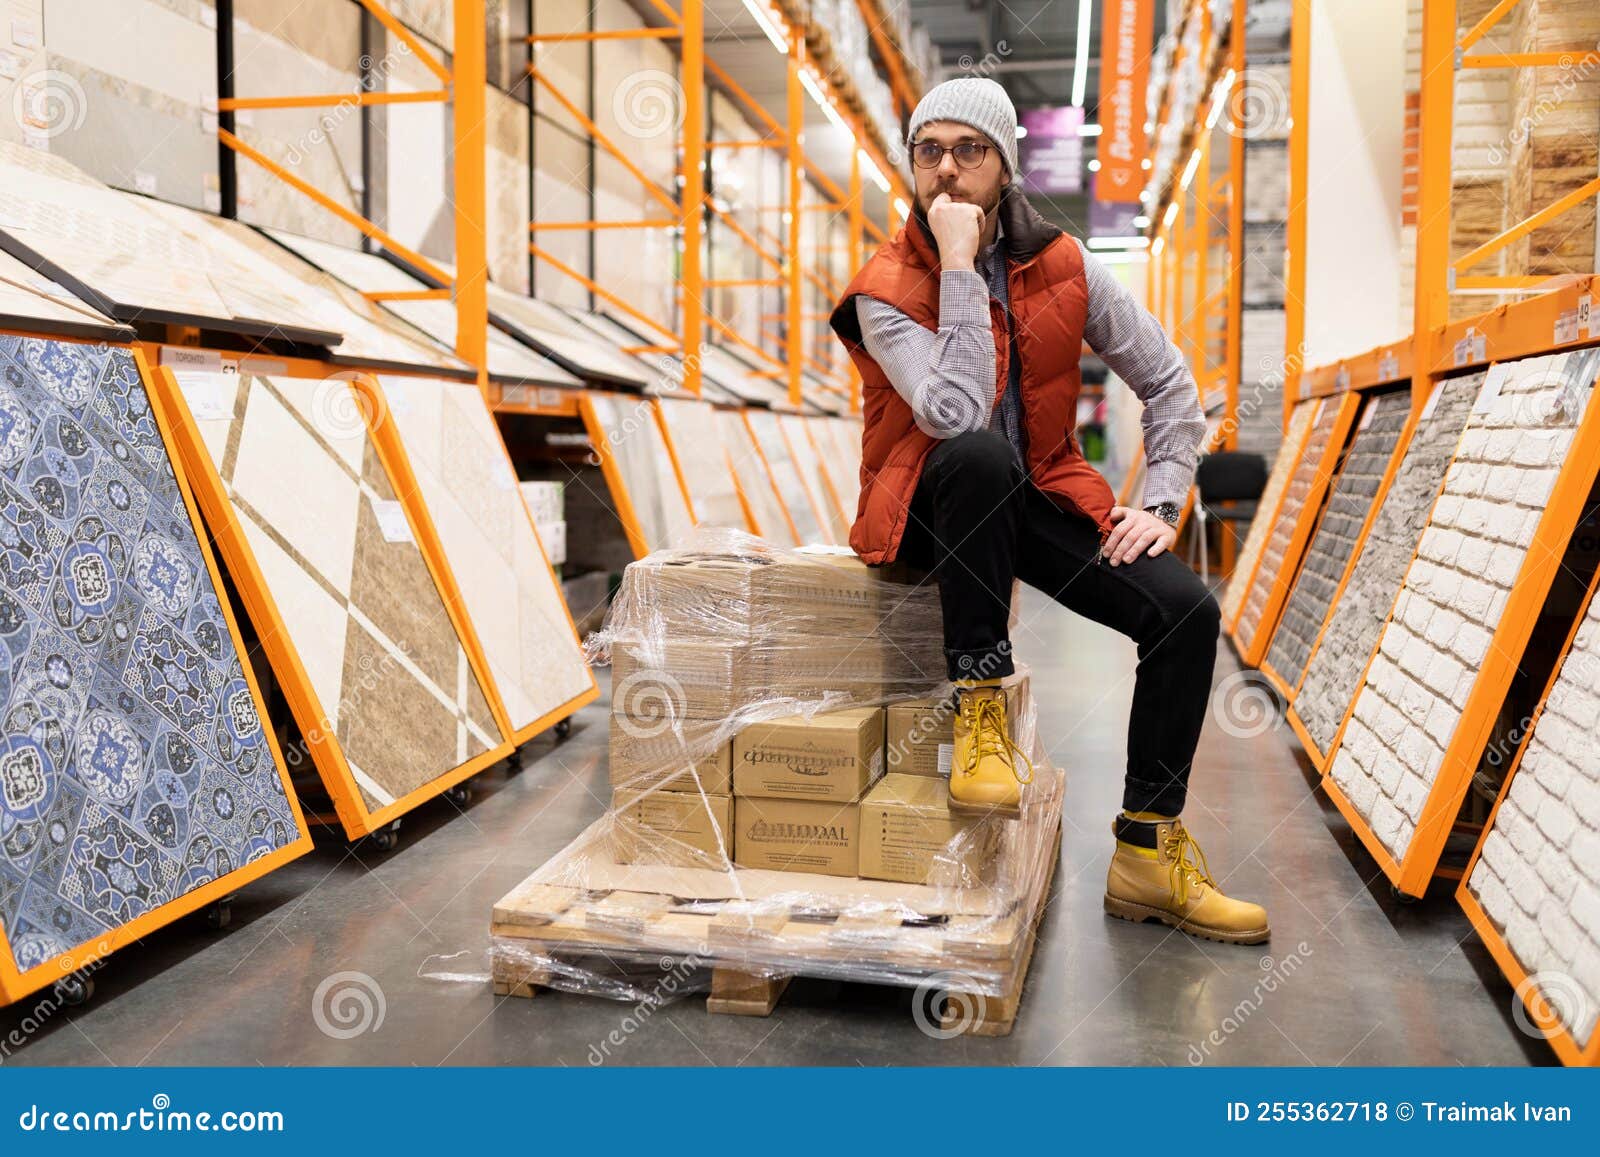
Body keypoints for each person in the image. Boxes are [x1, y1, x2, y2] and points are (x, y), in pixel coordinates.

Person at [829, 77, 1268, 945]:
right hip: (930, 503)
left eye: (969, 151)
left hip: (1036, 494)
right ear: (911, 164)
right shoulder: (883, 287)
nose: (946, 172)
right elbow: (951, 415)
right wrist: (955, 267)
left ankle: (1148, 852)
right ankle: (981, 704)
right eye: (929, 152)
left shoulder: (1066, 265)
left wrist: (1161, 499)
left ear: (1005, 166)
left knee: (1184, 612)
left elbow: (1172, 382)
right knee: (981, 453)